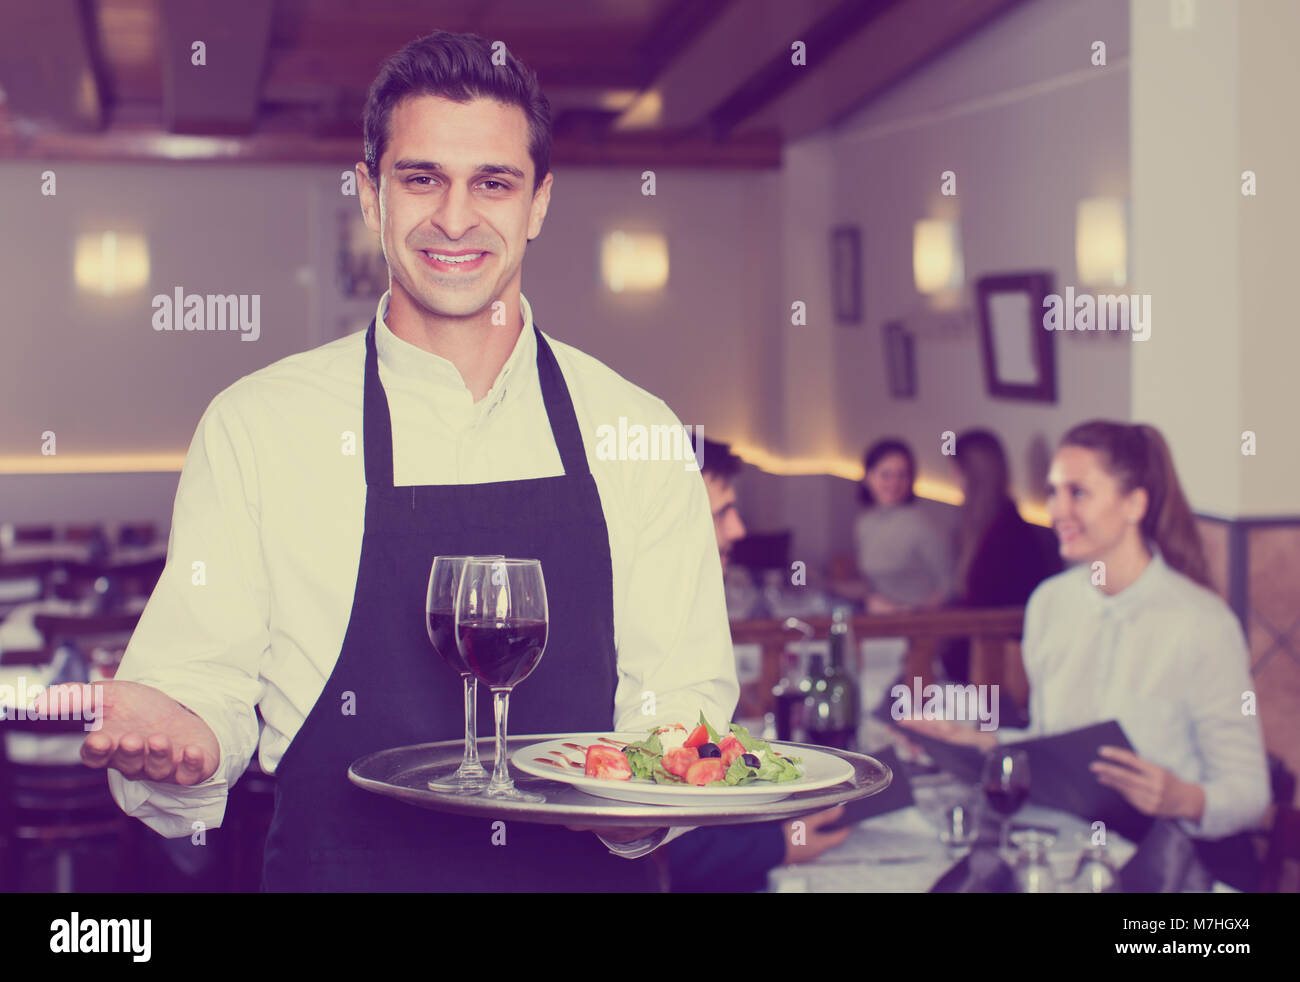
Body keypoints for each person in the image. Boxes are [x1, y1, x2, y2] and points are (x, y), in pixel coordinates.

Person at [33, 32, 739, 892]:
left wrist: (638, 798)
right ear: (370, 193)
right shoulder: (259, 426)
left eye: (493, 182)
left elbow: (680, 705)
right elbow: (198, 686)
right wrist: (179, 737)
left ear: (539, 204)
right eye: (421, 178)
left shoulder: (638, 431)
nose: (453, 217)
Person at [901, 421, 1270, 845]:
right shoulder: (1050, 603)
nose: (1058, 511)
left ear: (1134, 505)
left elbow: (1250, 794)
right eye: (1053, 491)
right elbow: (1055, 747)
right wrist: (978, 740)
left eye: (1078, 493)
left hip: (1164, 864)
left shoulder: (1202, 622)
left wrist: (1183, 798)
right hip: (1065, 845)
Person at [664, 437, 849, 891]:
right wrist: (774, 845)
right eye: (721, 513)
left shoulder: (691, 613)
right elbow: (660, 832)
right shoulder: (648, 634)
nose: (740, 530)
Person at [939, 429, 1061, 688]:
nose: (952, 478)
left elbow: (983, 606)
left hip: (996, 658)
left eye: (956, 470)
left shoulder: (1006, 536)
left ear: (969, 474)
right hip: (977, 648)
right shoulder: (985, 527)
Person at [849, 439, 954, 614]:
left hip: (917, 625)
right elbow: (874, 583)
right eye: (886, 475)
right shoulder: (864, 523)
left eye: (902, 475)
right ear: (868, 477)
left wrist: (906, 611)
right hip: (879, 620)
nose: (894, 483)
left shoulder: (922, 524)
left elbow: (949, 587)